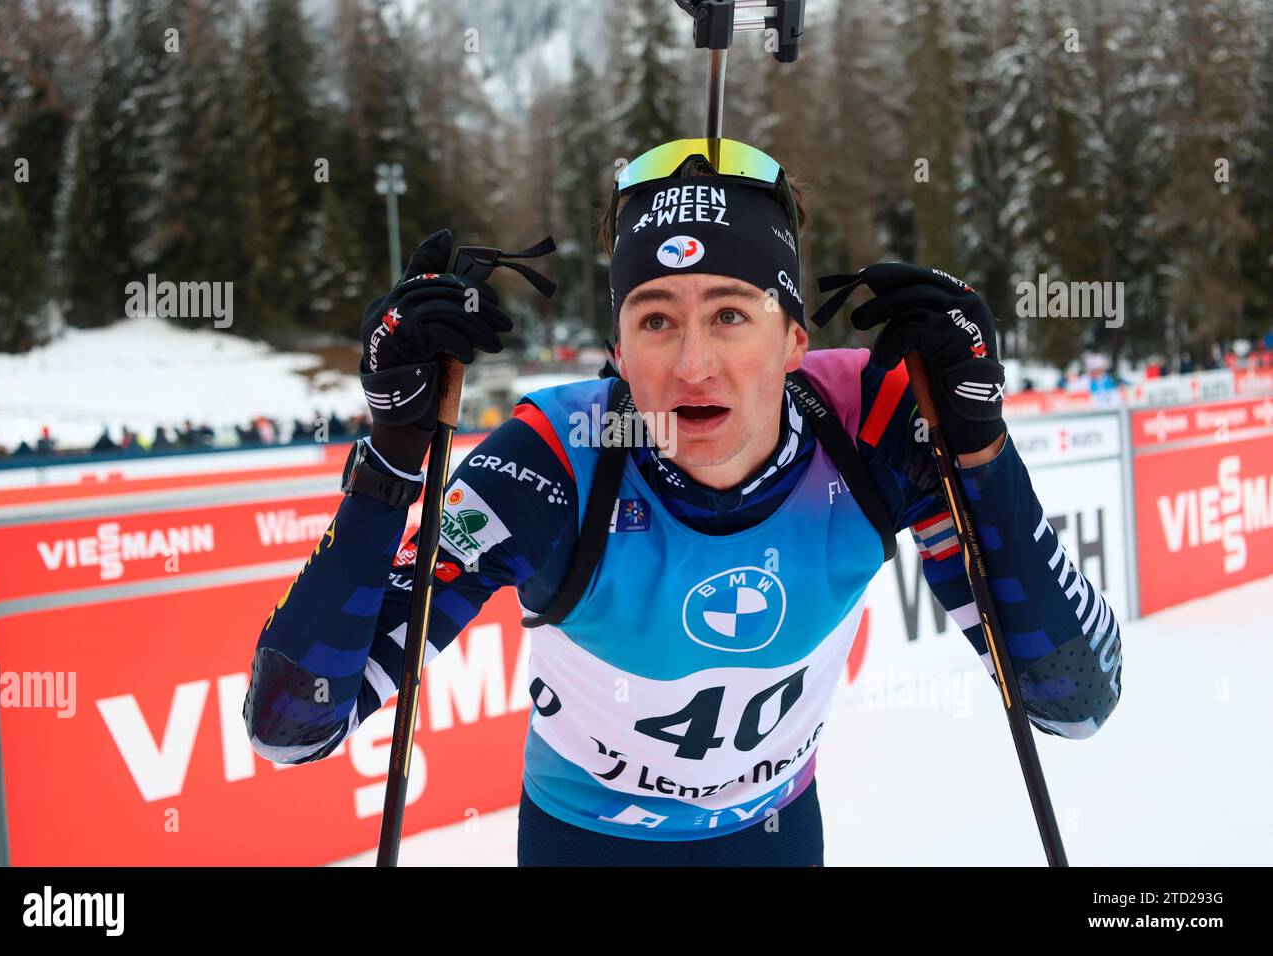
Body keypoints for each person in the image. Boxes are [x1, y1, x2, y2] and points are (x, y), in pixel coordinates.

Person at [245, 139, 1123, 867]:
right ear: (618, 350)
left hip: (774, 837)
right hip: (588, 844)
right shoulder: (557, 464)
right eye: (656, 319)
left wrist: (977, 443)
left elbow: (1075, 699)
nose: (693, 364)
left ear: (794, 339)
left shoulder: (875, 425)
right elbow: (293, 725)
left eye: (733, 315)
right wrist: (392, 459)